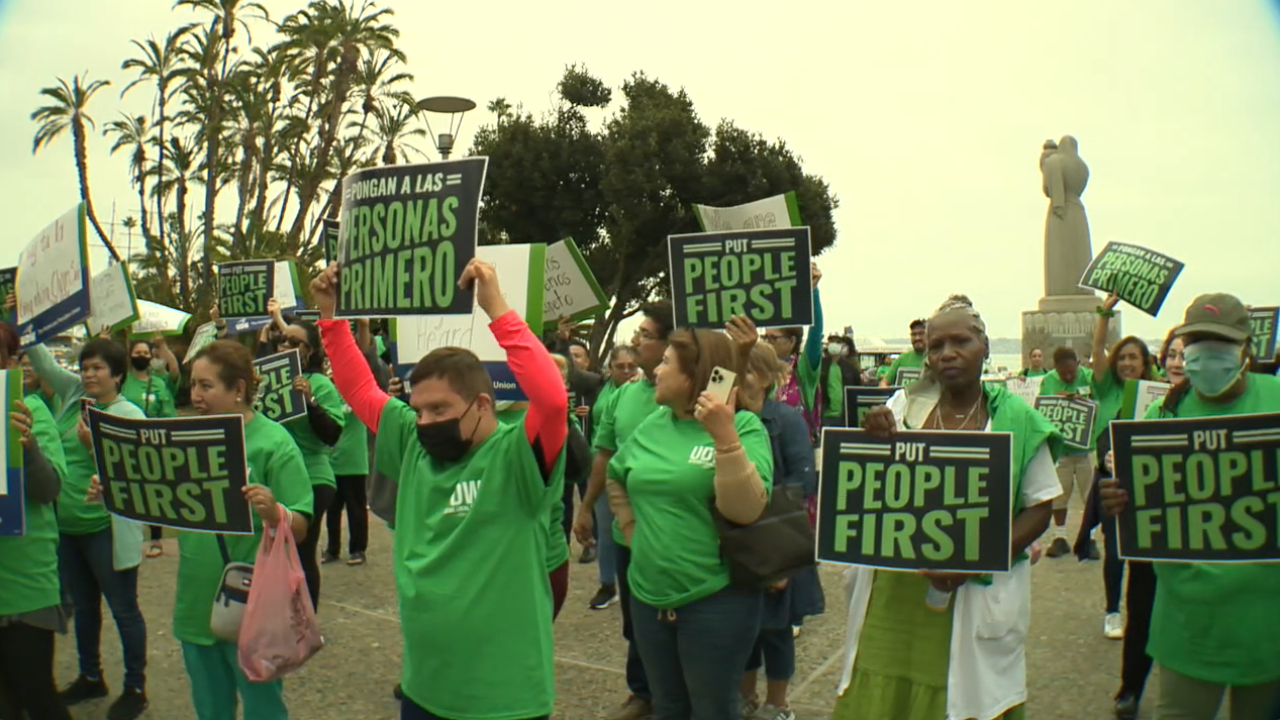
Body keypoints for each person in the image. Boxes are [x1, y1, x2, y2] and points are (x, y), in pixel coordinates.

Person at [313, 259, 568, 720]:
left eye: (439, 409)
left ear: (482, 404)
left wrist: (496, 307)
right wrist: (331, 316)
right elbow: (361, 391)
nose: (425, 421)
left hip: (505, 702)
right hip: (424, 690)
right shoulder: (413, 442)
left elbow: (551, 401)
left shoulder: (517, 457)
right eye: (418, 410)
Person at [833, 295, 1063, 720]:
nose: (947, 354)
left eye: (961, 342)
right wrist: (871, 440)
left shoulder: (1017, 419)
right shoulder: (903, 407)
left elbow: (1040, 508)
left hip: (971, 596)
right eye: (937, 345)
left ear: (985, 347)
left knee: (964, 699)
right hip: (893, 598)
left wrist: (975, 560)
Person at [89, 339, 313, 720]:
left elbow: (302, 523)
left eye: (206, 385)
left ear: (238, 388)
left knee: (263, 709)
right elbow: (156, 496)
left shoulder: (275, 443)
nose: (195, 394)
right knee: (210, 709)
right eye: (193, 384)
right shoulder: (184, 438)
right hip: (196, 605)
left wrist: (276, 513)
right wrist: (115, 487)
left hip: (253, 606)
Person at [1101, 293, 1280, 720]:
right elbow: (1138, 507)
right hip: (1187, 629)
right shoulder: (1161, 416)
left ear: (1245, 349)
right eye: (1197, 341)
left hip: (1267, 628)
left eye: (1221, 342)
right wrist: (1118, 500)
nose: (1207, 353)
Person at [607, 327, 773, 720]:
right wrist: (632, 531)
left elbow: (746, 510)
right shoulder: (653, 424)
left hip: (716, 600)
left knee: (713, 710)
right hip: (648, 597)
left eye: (666, 362)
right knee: (667, 707)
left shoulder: (745, 428)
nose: (655, 371)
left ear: (692, 376)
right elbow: (617, 475)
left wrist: (725, 439)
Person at [25, 338, 150, 720]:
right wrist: (24, 325)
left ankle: (135, 687)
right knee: (83, 608)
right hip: (68, 530)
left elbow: (142, 475)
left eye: (98, 368)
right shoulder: (74, 397)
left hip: (104, 531)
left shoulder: (128, 414)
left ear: (118, 375)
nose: (89, 375)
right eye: (85, 368)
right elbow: (44, 365)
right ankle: (90, 676)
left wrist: (95, 445)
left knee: (123, 609)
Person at [573, 301, 675, 720]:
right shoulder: (624, 395)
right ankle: (642, 692)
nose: (636, 339)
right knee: (637, 620)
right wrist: (586, 508)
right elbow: (604, 455)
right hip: (627, 532)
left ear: (671, 343)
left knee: (676, 621)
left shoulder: (693, 395)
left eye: (646, 335)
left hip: (673, 533)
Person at [733, 340, 816, 720]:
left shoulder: (786, 420)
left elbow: (802, 481)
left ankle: (778, 703)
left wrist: (779, 557)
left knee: (776, 629)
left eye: (749, 370)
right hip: (738, 535)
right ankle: (746, 693)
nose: (741, 378)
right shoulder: (726, 418)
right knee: (743, 624)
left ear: (767, 377)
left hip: (776, 537)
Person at [0, 321, 72, 720]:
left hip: (26, 585)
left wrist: (27, 448)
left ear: (11, 363)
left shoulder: (33, 411)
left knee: (38, 696)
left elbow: (49, 490)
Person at [1076, 292, 1157, 642]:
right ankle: (1112, 611)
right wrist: (1103, 314)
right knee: (1115, 549)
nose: (1125, 363)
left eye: (1132, 357)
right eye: (1121, 357)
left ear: (1144, 363)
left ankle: (1145, 611)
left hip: (1148, 483)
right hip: (1111, 482)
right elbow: (1097, 350)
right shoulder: (1107, 390)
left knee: (1146, 552)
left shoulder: (1156, 393)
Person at [277, 319, 346, 609]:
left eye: (295, 342)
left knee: (302, 552)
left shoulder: (320, 384)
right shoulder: (267, 384)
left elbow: (332, 434)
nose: (285, 346)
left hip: (313, 479)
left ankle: (306, 621)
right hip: (278, 478)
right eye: (282, 339)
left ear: (310, 350)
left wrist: (310, 401)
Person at [323, 319, 388, 566]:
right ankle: (332, 549)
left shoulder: (356, 389)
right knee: (332, 509)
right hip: (332, 458)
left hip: (355, 458)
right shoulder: (326, 391)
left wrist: (363, 328)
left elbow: (364, 362)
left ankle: (358, 549)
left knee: (356, 507)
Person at [587, 345, 640, 611]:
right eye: (620, 366)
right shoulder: (599, 387)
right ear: (610, 368)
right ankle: (607, 584)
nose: (627, 371)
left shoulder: (641, 390)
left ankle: (635, 584)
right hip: (601, 464)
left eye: (631, 365)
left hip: (631, 469)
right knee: (606, 529)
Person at [122, 337, 179, 558]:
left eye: (146, 353)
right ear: (130, 356)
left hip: (153, 447)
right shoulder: (122, 382)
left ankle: (156, 539)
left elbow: (168, 414)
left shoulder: (159, 383)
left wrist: (163, 345)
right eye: (137, 353)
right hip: (127, 447)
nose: (142, 357)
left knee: (155, 493)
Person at [1038, 345, 1095, 557]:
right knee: (1059, 496)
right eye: (1064, 374)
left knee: (1089, 495)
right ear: (1056, 369)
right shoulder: (1048, 381)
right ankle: (1059, 537)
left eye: (1072, 372)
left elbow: (1100, 399)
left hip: (1085, 449)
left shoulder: (1089, 377)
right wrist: (1057, 399)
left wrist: (1083, 399)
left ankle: (1089, 537)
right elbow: (1041, 409)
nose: (1069, 376)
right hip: (1061, 450)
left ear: (1078, 365)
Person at [762, 263, 829, 441]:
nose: (767, 343)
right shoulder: (760, 369)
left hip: (799, 447)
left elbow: (815, 334)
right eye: (765, 337)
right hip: (767, 447)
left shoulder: (804, 369)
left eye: (773, 338)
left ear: (791, 341)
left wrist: (813, 291)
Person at [879, 319, 927, 387]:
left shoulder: (936, 359)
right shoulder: (902, 358)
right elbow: (884, 382)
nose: (917, 338)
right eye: (914, 334)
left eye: (921, 334)